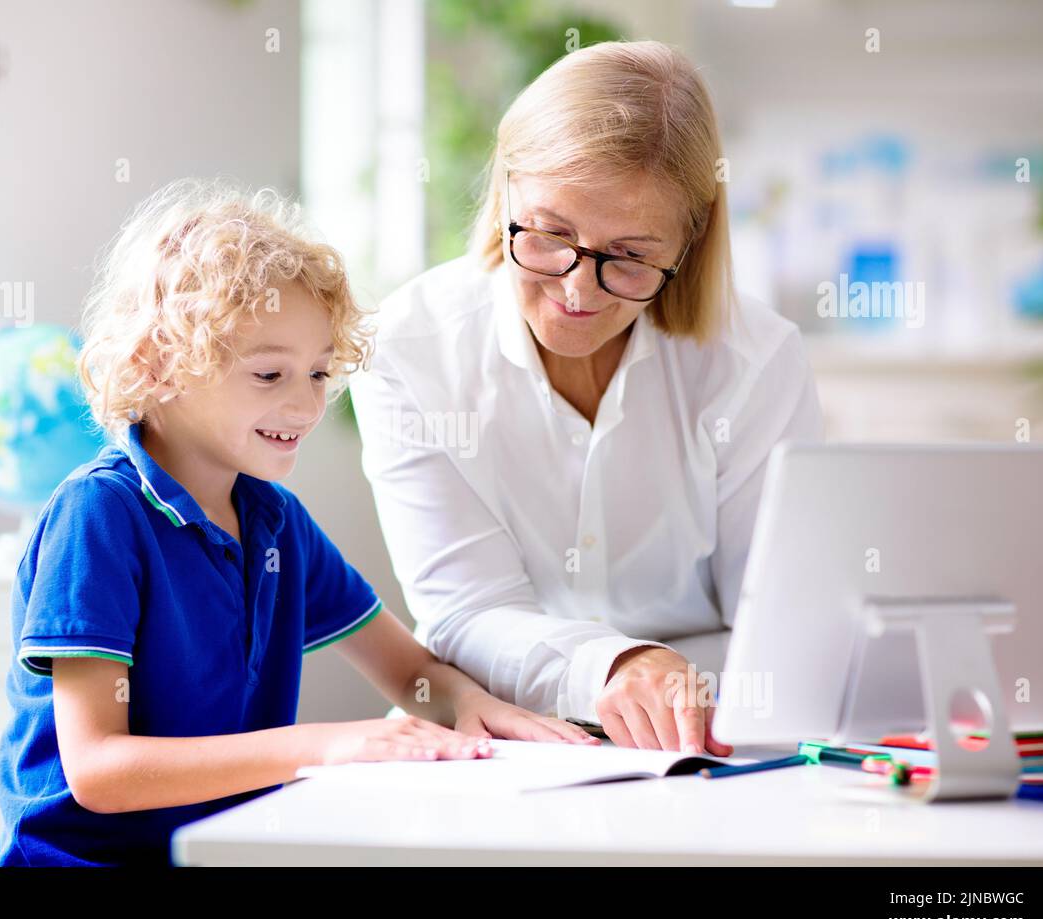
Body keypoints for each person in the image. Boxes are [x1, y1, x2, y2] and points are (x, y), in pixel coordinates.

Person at [0, 179, 596, 866]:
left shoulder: (276, 522)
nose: (306, 407)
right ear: (160, 367)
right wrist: (327, 746)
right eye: (270, 375)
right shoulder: (99, 515)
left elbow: (410, 673)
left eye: (317, 373)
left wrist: (473, 706)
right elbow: (98, 770)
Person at [348, 40, 825, 755]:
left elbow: (776, 612)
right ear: (506, 191)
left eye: (629, 256)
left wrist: (671, 683)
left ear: (688, 241)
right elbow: (467, 611)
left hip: (713, 734)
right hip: (501, 739)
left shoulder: (755, 362)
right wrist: (614, 664)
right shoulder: (411, 349)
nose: (577, 290)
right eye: (549, 234)